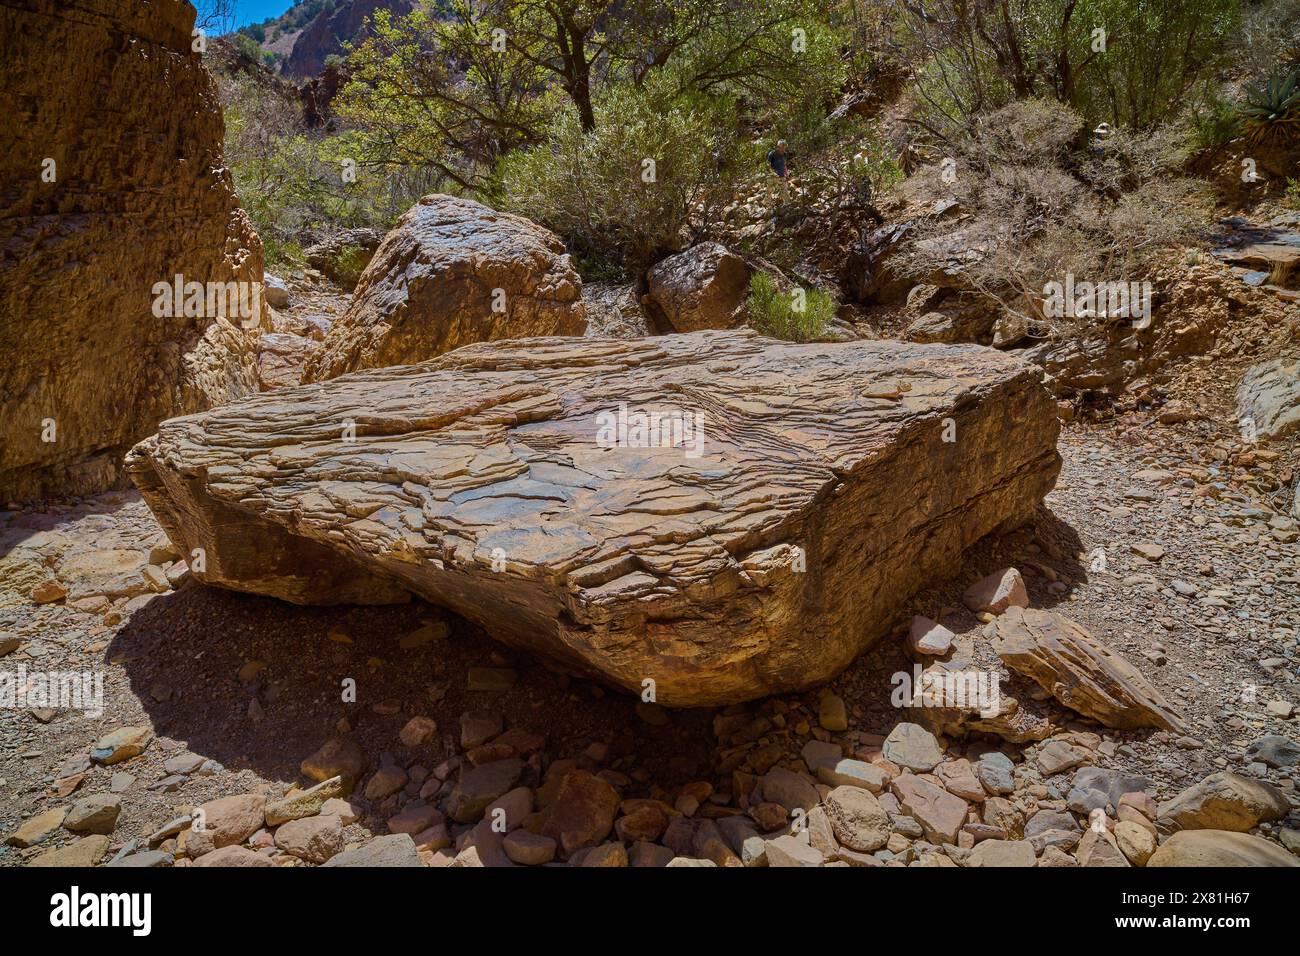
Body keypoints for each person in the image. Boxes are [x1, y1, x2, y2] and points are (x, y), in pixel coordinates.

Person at [767, 139, 790, 205]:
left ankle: (787, 205)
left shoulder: (785, 154)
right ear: (778, 146)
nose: (783, 148)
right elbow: (768, 165)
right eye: (782, 147)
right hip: (772, 176)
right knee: (769, 191)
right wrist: (772, 173)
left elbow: (784, 165)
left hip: (782, 176)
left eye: (784, 147)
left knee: (785, 191)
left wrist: (787, 174)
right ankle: (769, 206)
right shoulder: (772, 154)